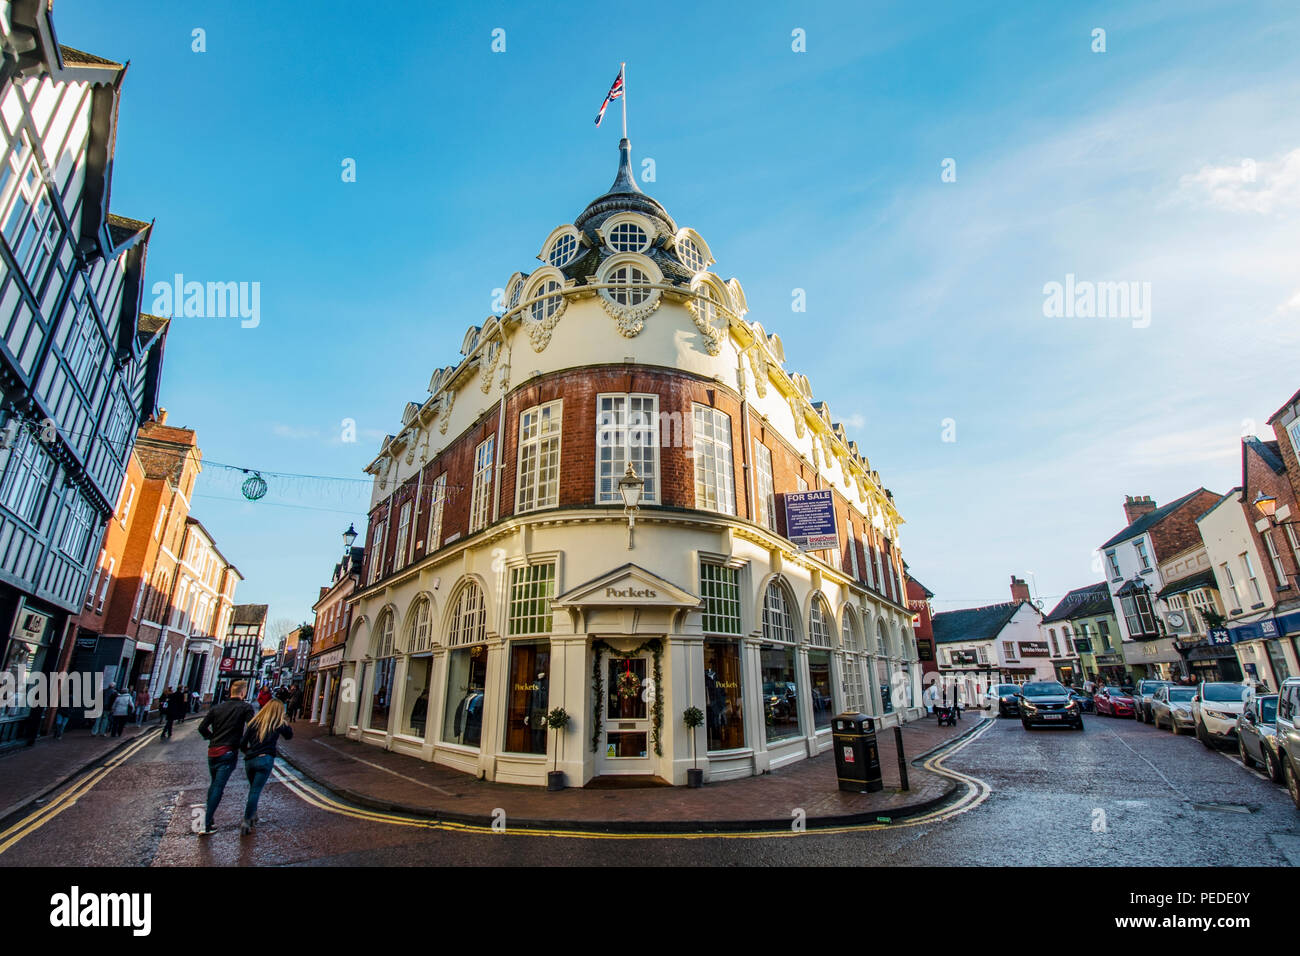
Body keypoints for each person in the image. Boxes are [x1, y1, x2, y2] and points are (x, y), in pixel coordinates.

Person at [197, 680, 254, 835]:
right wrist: (244, 745)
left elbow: (202, 728)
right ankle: (206, 823)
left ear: (230, 691)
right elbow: (252, 728)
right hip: (228, 751)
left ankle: (209, 820)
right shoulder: (245, 707)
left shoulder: (217, 708)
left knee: (214, 785)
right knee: (218, 787)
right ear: (243, 693)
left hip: (213, 751)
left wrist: (212, 737)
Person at [238, 698, 294, 835]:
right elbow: (289, 736)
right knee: (255, 791)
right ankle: (246, 820)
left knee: (253, 790)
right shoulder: (278, 724)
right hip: (265, 759)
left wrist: (250, 753)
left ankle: (253, 815)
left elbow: (242, 743)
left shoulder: (254, 722)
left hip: (250, 760)